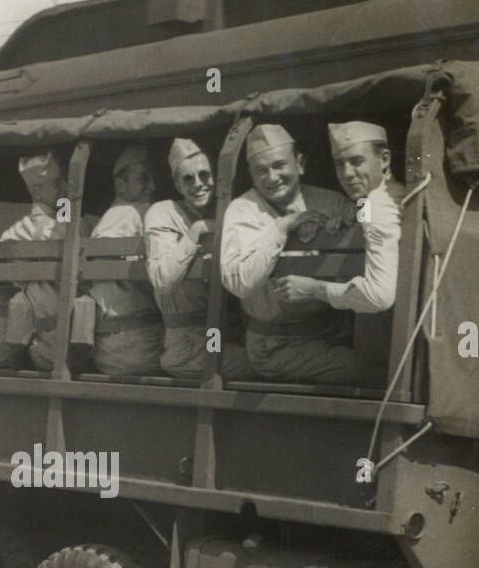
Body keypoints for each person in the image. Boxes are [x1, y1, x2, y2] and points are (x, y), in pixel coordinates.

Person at [219, 124, 361, 384]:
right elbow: (239, 283)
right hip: (277, 346)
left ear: (300, 163)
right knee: (367, 372)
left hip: (334, 332)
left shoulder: (331, 202)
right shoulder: (242, 210)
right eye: (261, 170)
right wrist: (284, 226)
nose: (272, 177)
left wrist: (349, 221)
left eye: (279, 165)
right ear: (251, 175)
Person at [270, 121, 404, 317]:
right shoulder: (389, 193)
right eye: (340, 164)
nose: (347, 174)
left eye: (357, 161)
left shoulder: (377, 207)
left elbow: (379, 296)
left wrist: (315, 289)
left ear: (384, 159)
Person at [144, 138, 249, 380]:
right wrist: (196, 231)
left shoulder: (225, 210)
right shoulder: (162, 212)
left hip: (224, 335)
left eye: (204, 175)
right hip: (188, 347)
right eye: (188, 179)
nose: (199, 184)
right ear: (177, 186)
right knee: (262, 368)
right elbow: (163, 279)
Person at [0, 150, 96, 371]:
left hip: (38, 349)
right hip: (71, 349)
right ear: (37, 191)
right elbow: (74, 229)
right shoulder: (63, 224)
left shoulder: (20, 229)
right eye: (56, 183)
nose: (64, 186)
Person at [86, 144, 163, 376]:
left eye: (152, 180)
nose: (153, 187)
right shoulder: (133, 215)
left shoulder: (107, 221)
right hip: (141, 347)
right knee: (210, 349)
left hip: (105, 350)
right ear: (120, 184)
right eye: (143, 179)